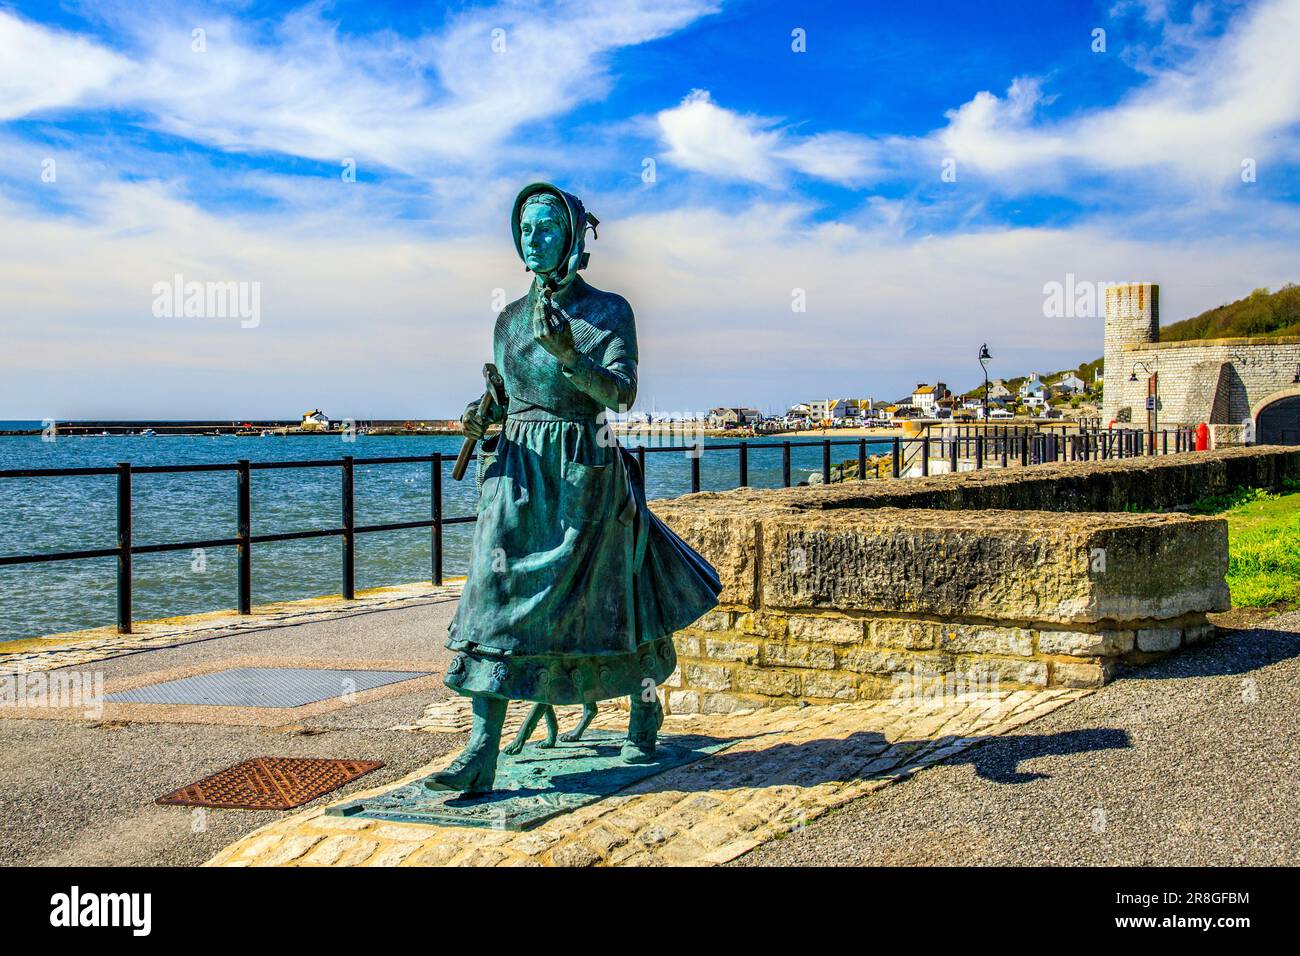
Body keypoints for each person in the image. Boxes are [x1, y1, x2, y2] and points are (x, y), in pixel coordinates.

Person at [425, 182, 721, 794]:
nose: (534, 240)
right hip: (516, 472)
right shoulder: (507, 321)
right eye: (525, 229)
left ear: (573, 237)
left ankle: (642, 703)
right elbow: (507, 399)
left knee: (610, 596)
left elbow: (621, 393)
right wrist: (480, 418)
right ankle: (482, 747)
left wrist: (571, 357)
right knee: (491, 594)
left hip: (583, 470)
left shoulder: (611, 312)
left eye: (547, 228)